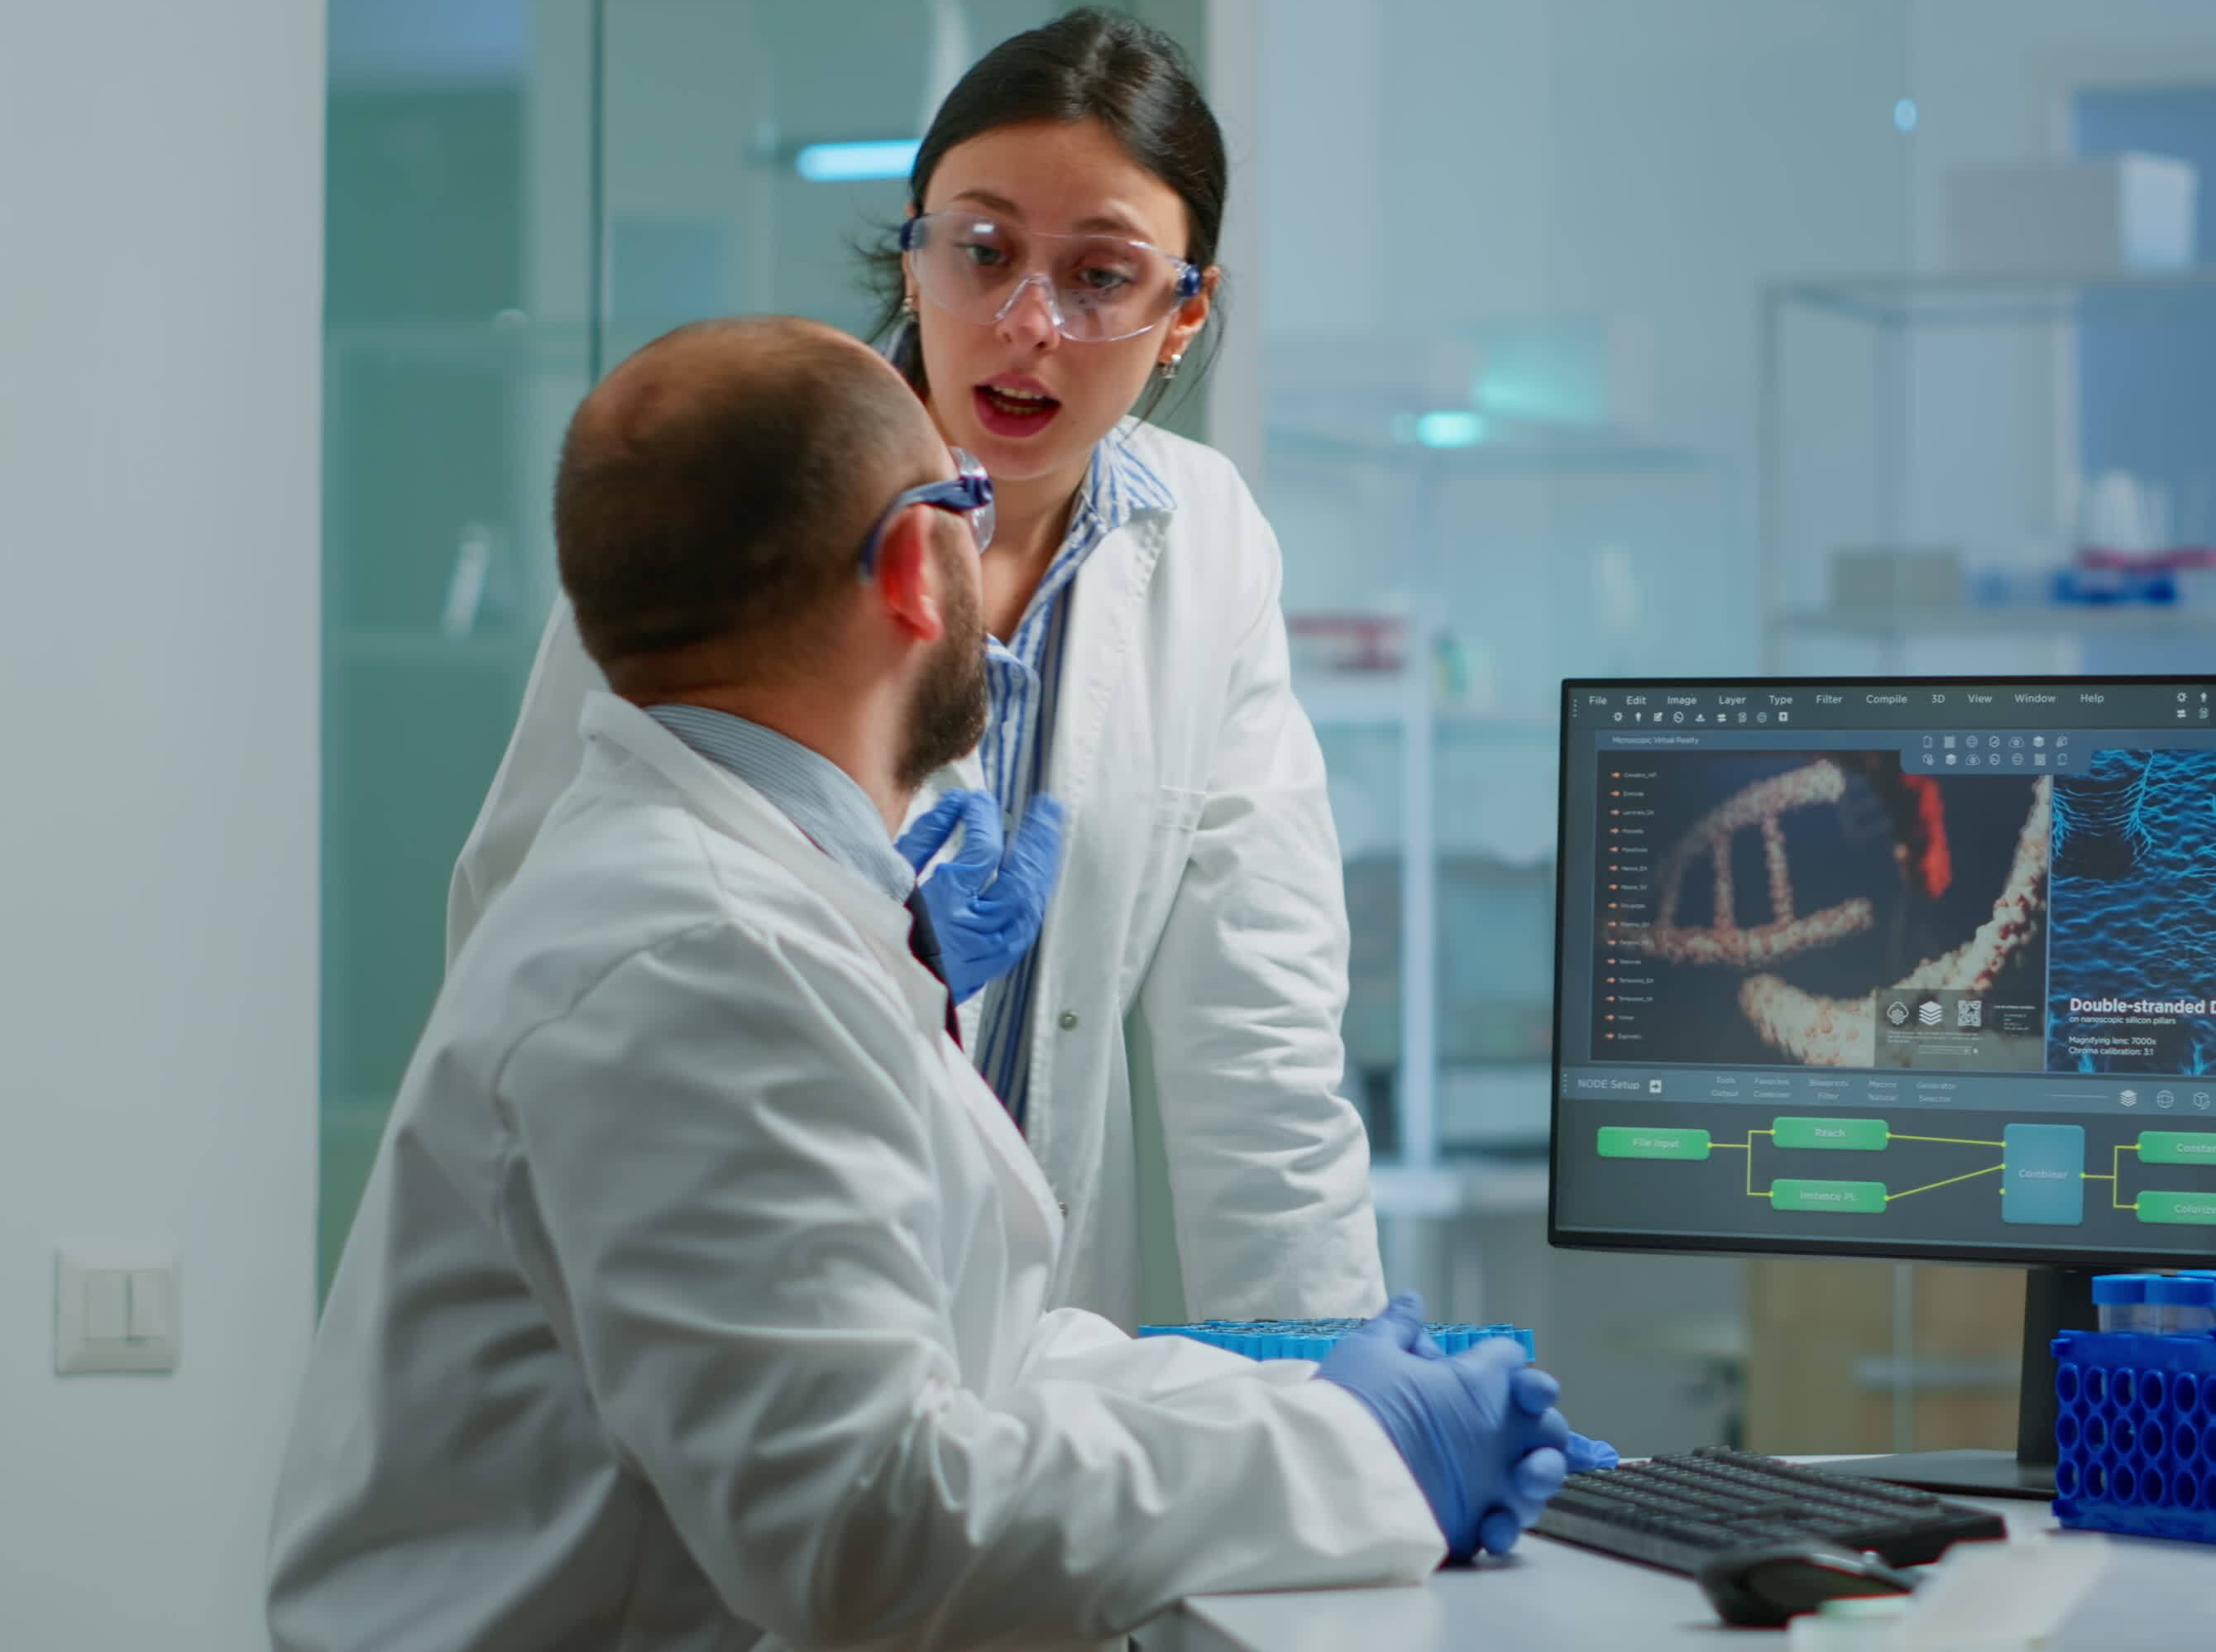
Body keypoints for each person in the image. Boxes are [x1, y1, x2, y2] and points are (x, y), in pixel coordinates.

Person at [269, 318, 1567, 1651]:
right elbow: (871, 1527)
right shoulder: (708, 958)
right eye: (965, 508)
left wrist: (1301, 1399)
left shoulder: (751, 905)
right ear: (911, 569)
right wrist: (1370, 1457)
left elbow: (959, 1367)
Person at [448, 9, 1371, 1328]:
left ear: (1184, 312)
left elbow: (1262, 1043)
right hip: (696, 1268)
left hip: (1017, 1335)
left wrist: (1342, 1409)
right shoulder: (744, 486)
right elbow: (536, 917)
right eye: (983, 252)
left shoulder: (1209, 542)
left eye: (1102, 276)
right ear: (913, 250)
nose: (1026, 321)